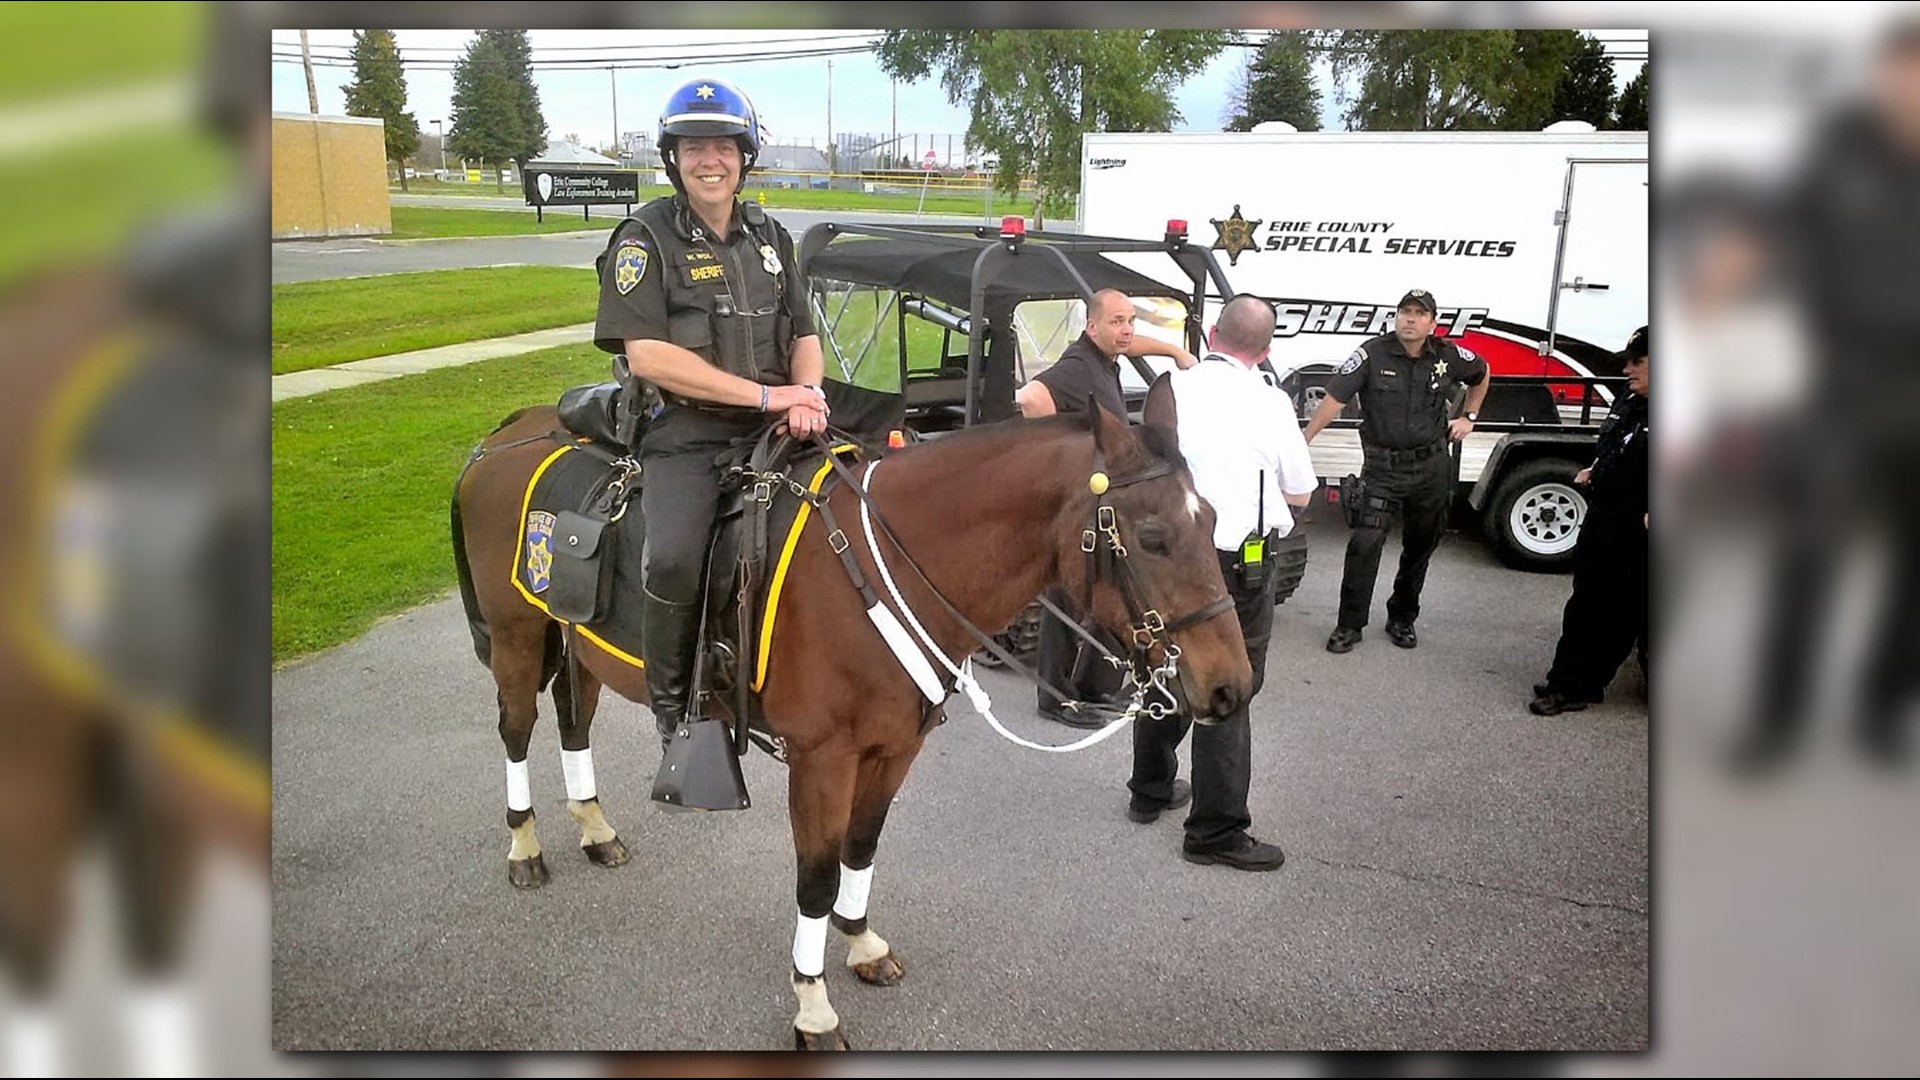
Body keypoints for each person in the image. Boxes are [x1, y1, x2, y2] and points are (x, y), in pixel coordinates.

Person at [592, 76, 827, 747]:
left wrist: (806, 395)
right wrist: (767, 396)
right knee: (670, 557)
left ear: (744, 155)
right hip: (686, 436)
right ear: (673, 158)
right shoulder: (645, 240)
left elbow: (804, 336)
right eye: (693, 146)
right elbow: (648, 357)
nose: (709, 159)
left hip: (778, 425)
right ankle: (677, 713)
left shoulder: (771, 238)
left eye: (722, 145)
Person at [1127, 295, 1317, 871]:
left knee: (1164, 663)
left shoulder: (1169, 389)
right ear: (1265, 351)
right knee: (1230, 685)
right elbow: (1302, 492)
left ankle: (1150, 789)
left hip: (1173, 557)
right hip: (1238, 561)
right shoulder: (1271, 401)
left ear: (1211, 332)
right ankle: (1214, 830)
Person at [1015, 289, 1195, 727]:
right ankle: (1056, 697)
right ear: (1091, 327)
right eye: (1117, 321)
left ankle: (1092, 687)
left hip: (1098, 502)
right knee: (1063, 595)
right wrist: (1058, 456)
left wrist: (1173, 349)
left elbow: (1130, 344)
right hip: (1072, 499)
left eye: (1131, 319)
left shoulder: (1105, 357)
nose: (1127, 329)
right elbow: (1031, 397)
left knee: (1102, 590)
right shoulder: (1079, 366)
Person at [1302, 289, 1489, 654]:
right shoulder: (1371, 354)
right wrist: (1304, 439)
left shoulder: (1447, 355)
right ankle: (1349, 625)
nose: (1410, 318)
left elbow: (1482, 373)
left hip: (1432, 466)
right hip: (1382, 468)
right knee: (1365, 545)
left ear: (1432, 323)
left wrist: (1469, 417)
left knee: (1421, 546)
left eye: (1420, 314)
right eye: (1405, 311)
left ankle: (1402, 619)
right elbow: (1334, 400)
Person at [1529, 327, 1650, 716]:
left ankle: (1580, 687)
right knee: (1585, 600)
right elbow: (1617, 445)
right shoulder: (1632, 401)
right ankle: (1564, 676)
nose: (1627, 369)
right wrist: (1596, 468)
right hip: (1605, 514)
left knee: (1616, 613)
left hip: (1639, 525)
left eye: (1637, 362)